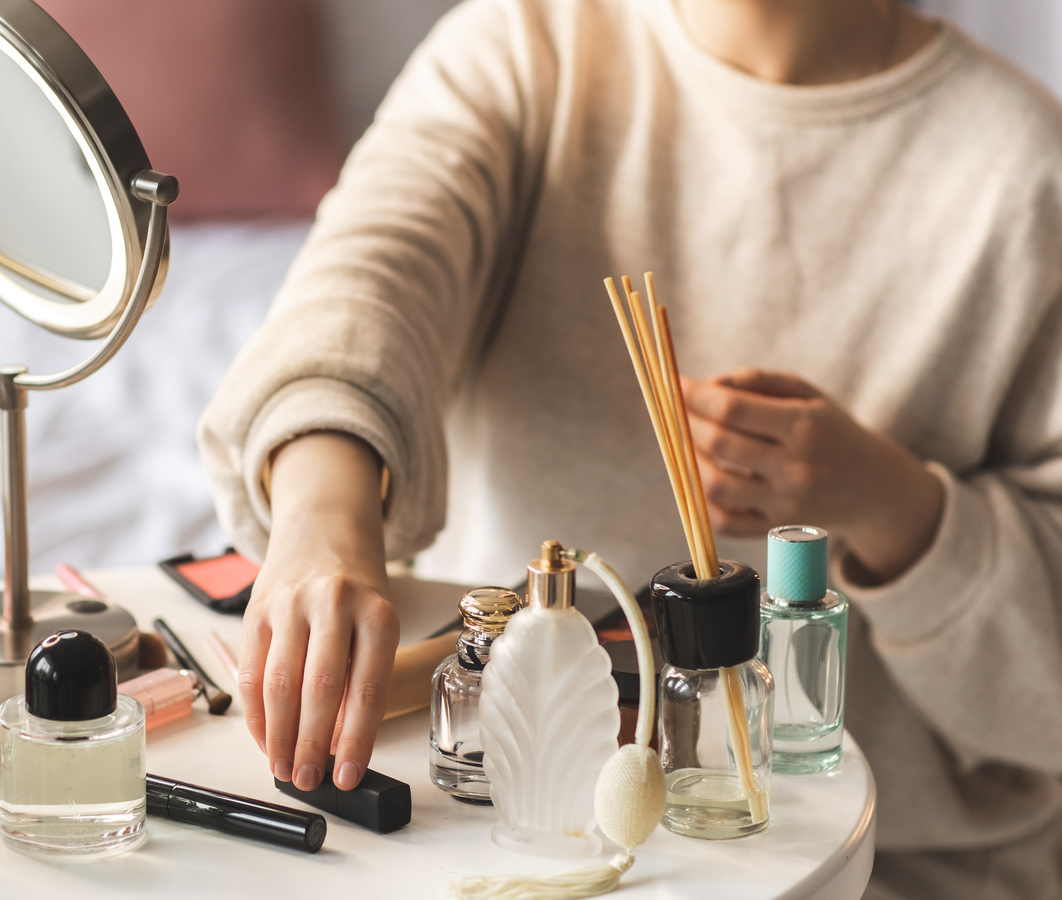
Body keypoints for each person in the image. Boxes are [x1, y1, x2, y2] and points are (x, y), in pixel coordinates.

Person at [197, 0, 1062, 897]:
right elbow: (367, 278)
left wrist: (891, 503)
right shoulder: (531, 45)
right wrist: (322, 518)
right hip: (492, 824)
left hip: (889, 862)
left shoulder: (1028, 169)